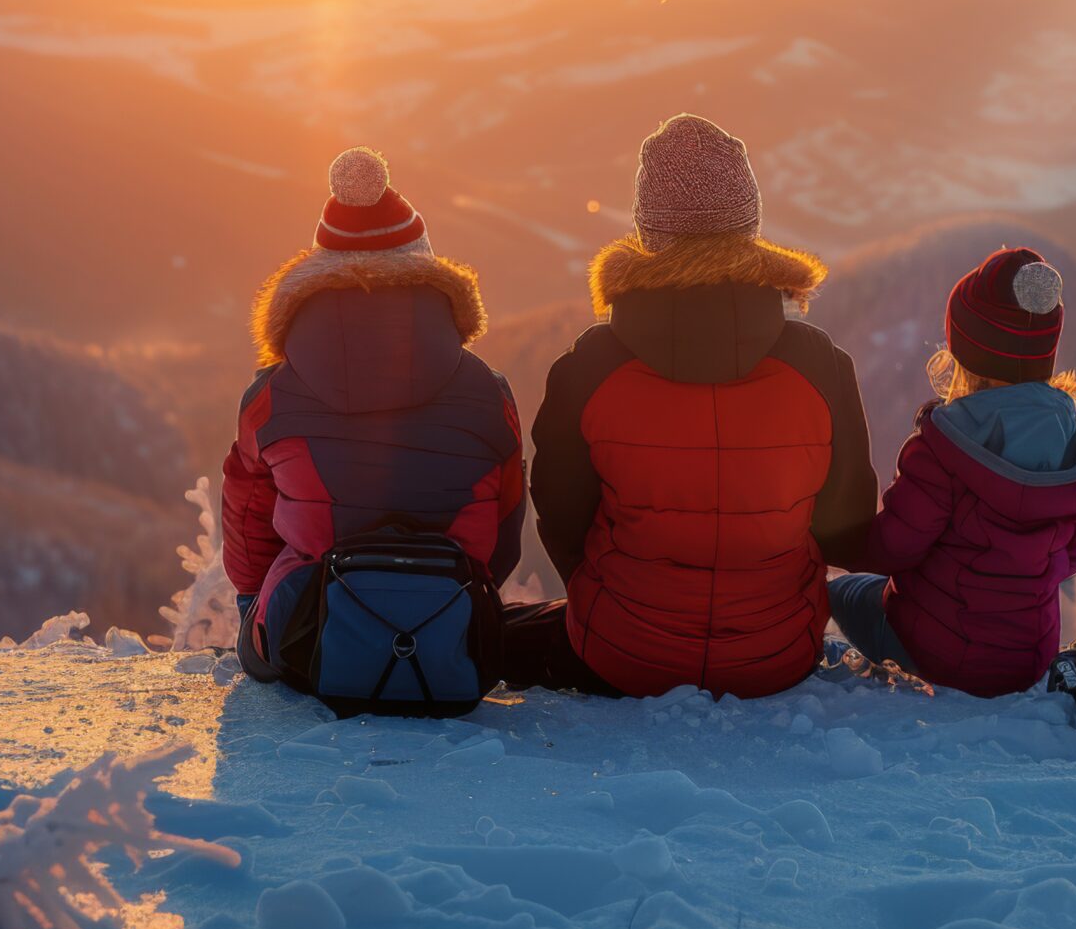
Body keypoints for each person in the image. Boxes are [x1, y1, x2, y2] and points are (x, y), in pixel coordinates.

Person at [509, 114, 875, 698]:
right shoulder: (819, 365)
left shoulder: (590, 367)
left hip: (621, 650)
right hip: (777, 655)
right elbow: (848, 527)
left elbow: (561, 514)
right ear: (750, 226)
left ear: (646, 232)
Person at [221, 147, 523, 687]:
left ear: (318, 273)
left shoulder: (272, 394)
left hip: (305, 642)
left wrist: (254, 605)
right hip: (447, 632)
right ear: (427, 270)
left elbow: (247, 514)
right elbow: (505, 526)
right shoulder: (487, 391)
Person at [828, 246, 1076, 697]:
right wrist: (1023, 573)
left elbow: (891, 549)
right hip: (1027, 661)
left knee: (845, 592)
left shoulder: (942, 447)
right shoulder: (1073, 445)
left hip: (937, 658)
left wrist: (829, 541)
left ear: (966, 351)